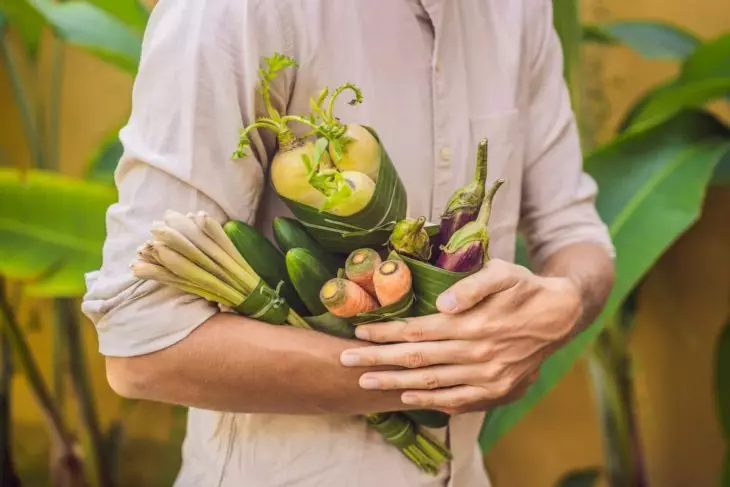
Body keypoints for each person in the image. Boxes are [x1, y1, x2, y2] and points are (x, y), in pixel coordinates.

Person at [82, 0, 616, 486]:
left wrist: (565, 303)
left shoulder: (518, 10)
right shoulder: (231, 11)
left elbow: (574, 234)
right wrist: (441, 371)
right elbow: (145, 346)